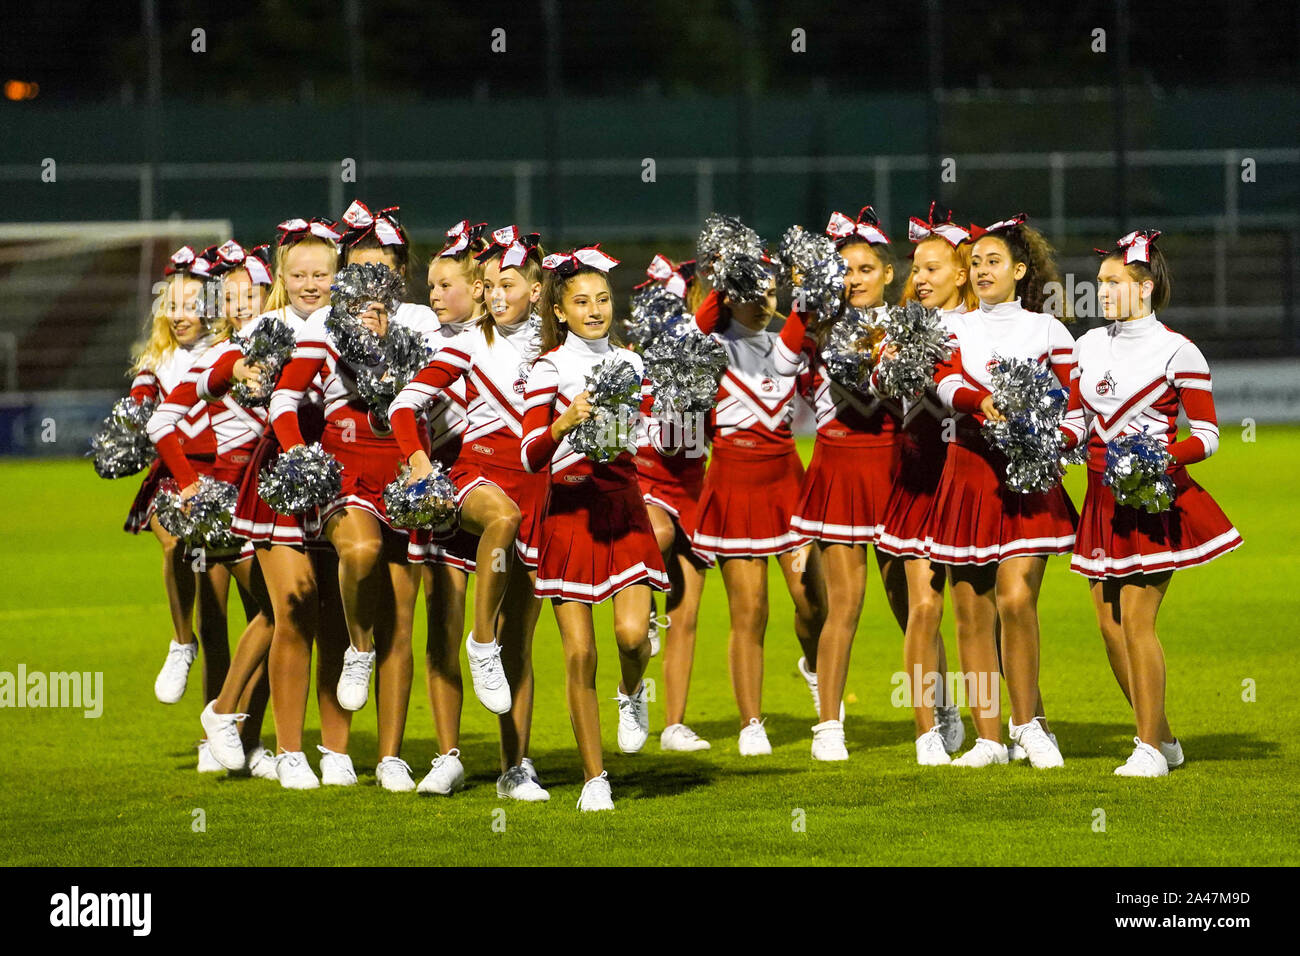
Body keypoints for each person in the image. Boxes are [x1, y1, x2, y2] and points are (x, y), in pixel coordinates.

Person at [1062, 229, 1242, 776]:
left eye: (1113, 283)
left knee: (1139, 620)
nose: (1102, 292)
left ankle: (1146, 750)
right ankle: (1161, 738)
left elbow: (1208, 434)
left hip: (1153, 497)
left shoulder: (1178, 350)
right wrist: (1054, 443)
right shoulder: (1088, 345)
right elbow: (1075, 418)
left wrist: (1159, 459)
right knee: (1108, 623)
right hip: (1099, 497)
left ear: (1144, 287)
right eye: (1100, 283)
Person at [389, 225, 551, 801]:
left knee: (523, 640)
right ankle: (447, 754)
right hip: (469, 479)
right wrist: (415, 463)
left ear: (535, 289)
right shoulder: (463, 344)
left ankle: (515, 768)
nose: (497, 293)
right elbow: (404, 405)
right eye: (490, 284)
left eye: (507, 283)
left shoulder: (555, 349)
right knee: (446, 627)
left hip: (535, 487)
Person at [520, 246, 670, 810]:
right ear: (559, 311)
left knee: (631, 637)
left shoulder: (633, 364)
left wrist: (659, 420)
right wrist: (566, 421)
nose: (594, 309)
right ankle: (594, 778)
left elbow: (654, 440)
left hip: (621, 506)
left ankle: (632, 691)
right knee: (579, 652)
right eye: (580, 301)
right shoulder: (549, 368)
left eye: (602, 299)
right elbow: (532, 456)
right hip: (568, 512)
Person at [925, 214, 1076, 768]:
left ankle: (1027, 725)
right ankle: (989, 739)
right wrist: (979, 401)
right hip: (969, 471)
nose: (983, 270)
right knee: (971, 612)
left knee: (1016, 599)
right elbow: (943, 380)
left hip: (1028, 476)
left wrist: (1054, 438)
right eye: (977, 262)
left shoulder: (1049, 330)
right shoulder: (957, 327)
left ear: (1019, 270)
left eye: (994, 262)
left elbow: (1075, 403)